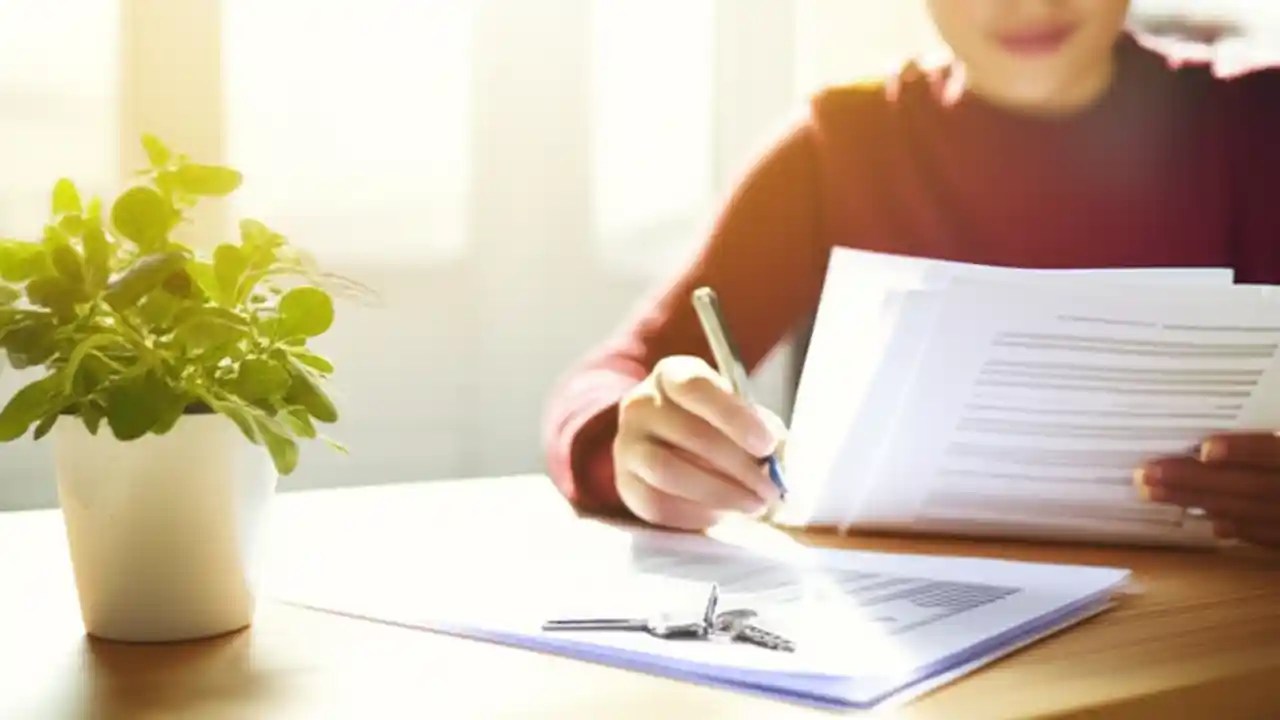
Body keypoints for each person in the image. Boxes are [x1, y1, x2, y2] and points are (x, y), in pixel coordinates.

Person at [541, 0, 1280, 548]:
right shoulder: (839, 148)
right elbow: (614, 375)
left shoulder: (1257, 128)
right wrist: (632, 446)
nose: (1026, 2)